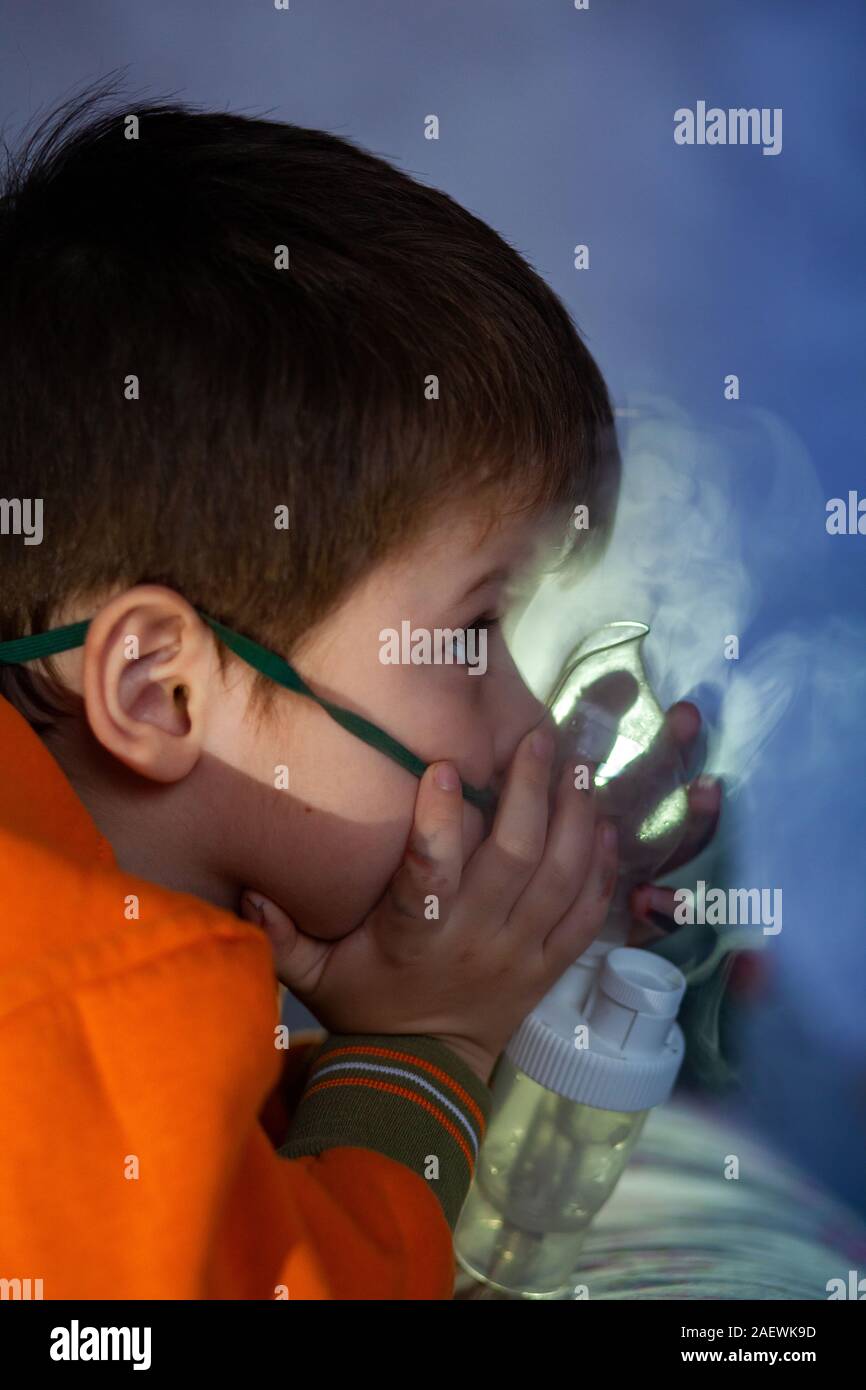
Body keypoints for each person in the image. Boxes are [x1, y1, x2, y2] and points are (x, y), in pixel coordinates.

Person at [0, 86, 720, 1299]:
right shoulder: (66, 1017)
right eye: (473, 632)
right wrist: (429, 1048)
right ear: (161, 691)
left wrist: (489, 958)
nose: (529, 729)